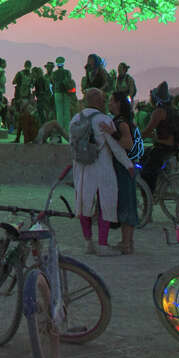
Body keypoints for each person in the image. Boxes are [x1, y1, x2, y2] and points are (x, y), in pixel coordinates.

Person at [71, 88, 124, 256]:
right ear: (97, 101)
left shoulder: (75, 119)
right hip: (102, 167)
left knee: (82, 203)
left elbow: (72, 145)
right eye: (103, 99)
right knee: (106, 204)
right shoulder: (104, 119)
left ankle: (88, 243)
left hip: (81, 167)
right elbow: (116, 148)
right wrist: (129, 165)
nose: (105, 102)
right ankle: (102, 244)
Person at [106, 91, 140, 254]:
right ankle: (128, 242)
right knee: (128, 201)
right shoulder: (125, 120)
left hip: (123, 167)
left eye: (111, 100)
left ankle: (126, 244)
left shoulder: (120, 122)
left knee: (126, 202)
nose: (109, 103)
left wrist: (110, 132)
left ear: (118, 103)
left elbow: (127, 143)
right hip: (127, 166)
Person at [51, 56, 76, 128]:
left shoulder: (54, 73)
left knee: (59, 112)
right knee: (66, 111)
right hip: (66, 93)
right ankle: (67, 129)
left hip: (57, 92)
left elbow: (52, 82)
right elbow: (70, 81)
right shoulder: (67, 72)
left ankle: (60, 129)